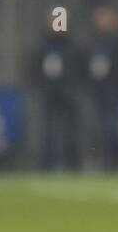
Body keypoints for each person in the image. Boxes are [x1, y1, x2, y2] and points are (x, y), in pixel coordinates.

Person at [31, 23, 82, 171]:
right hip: (48, 92)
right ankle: (47, 163)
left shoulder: (72, 45)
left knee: (71, 129)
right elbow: (34, 67)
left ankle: (72, 163)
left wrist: (74, 86)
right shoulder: (42, 46)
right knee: (47, 129)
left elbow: (78, 66)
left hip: (69, 91)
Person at [85, 6, 118, 171]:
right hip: (97, 90)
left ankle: (115, 160)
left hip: (114, 89)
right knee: (99, 126)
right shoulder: (91, 42)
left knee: (112, 126)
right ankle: (103, 160)